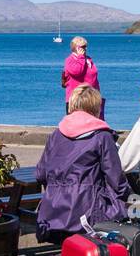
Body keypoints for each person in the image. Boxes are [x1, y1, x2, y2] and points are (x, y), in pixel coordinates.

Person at [34, 85, 129, 244]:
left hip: (53, 212)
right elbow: (116, 180)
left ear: (71, 105)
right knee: (128, 213)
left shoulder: (56, 134)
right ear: (96, 108)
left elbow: (40, 174)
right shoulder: (102, 136)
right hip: (87, 212)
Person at [61, 36, 103, 117]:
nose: (85, 49)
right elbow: (76, 71)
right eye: (83, 47)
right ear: (76, 48)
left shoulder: (88, 59)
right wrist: (80, 58)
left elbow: (94, 77)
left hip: (91, 98)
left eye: (86, 46)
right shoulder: (70, 60)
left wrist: (98, 95)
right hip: (76, 99)